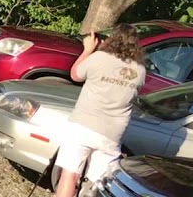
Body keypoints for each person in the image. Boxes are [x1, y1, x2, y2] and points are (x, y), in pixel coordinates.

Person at [54, 24, 146, 197]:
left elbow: (75, 74)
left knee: (70, 174)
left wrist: (87, 50)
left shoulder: (99, 58)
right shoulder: (140, 71)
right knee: (97, 184)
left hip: (84, 124)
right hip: (112, 133)